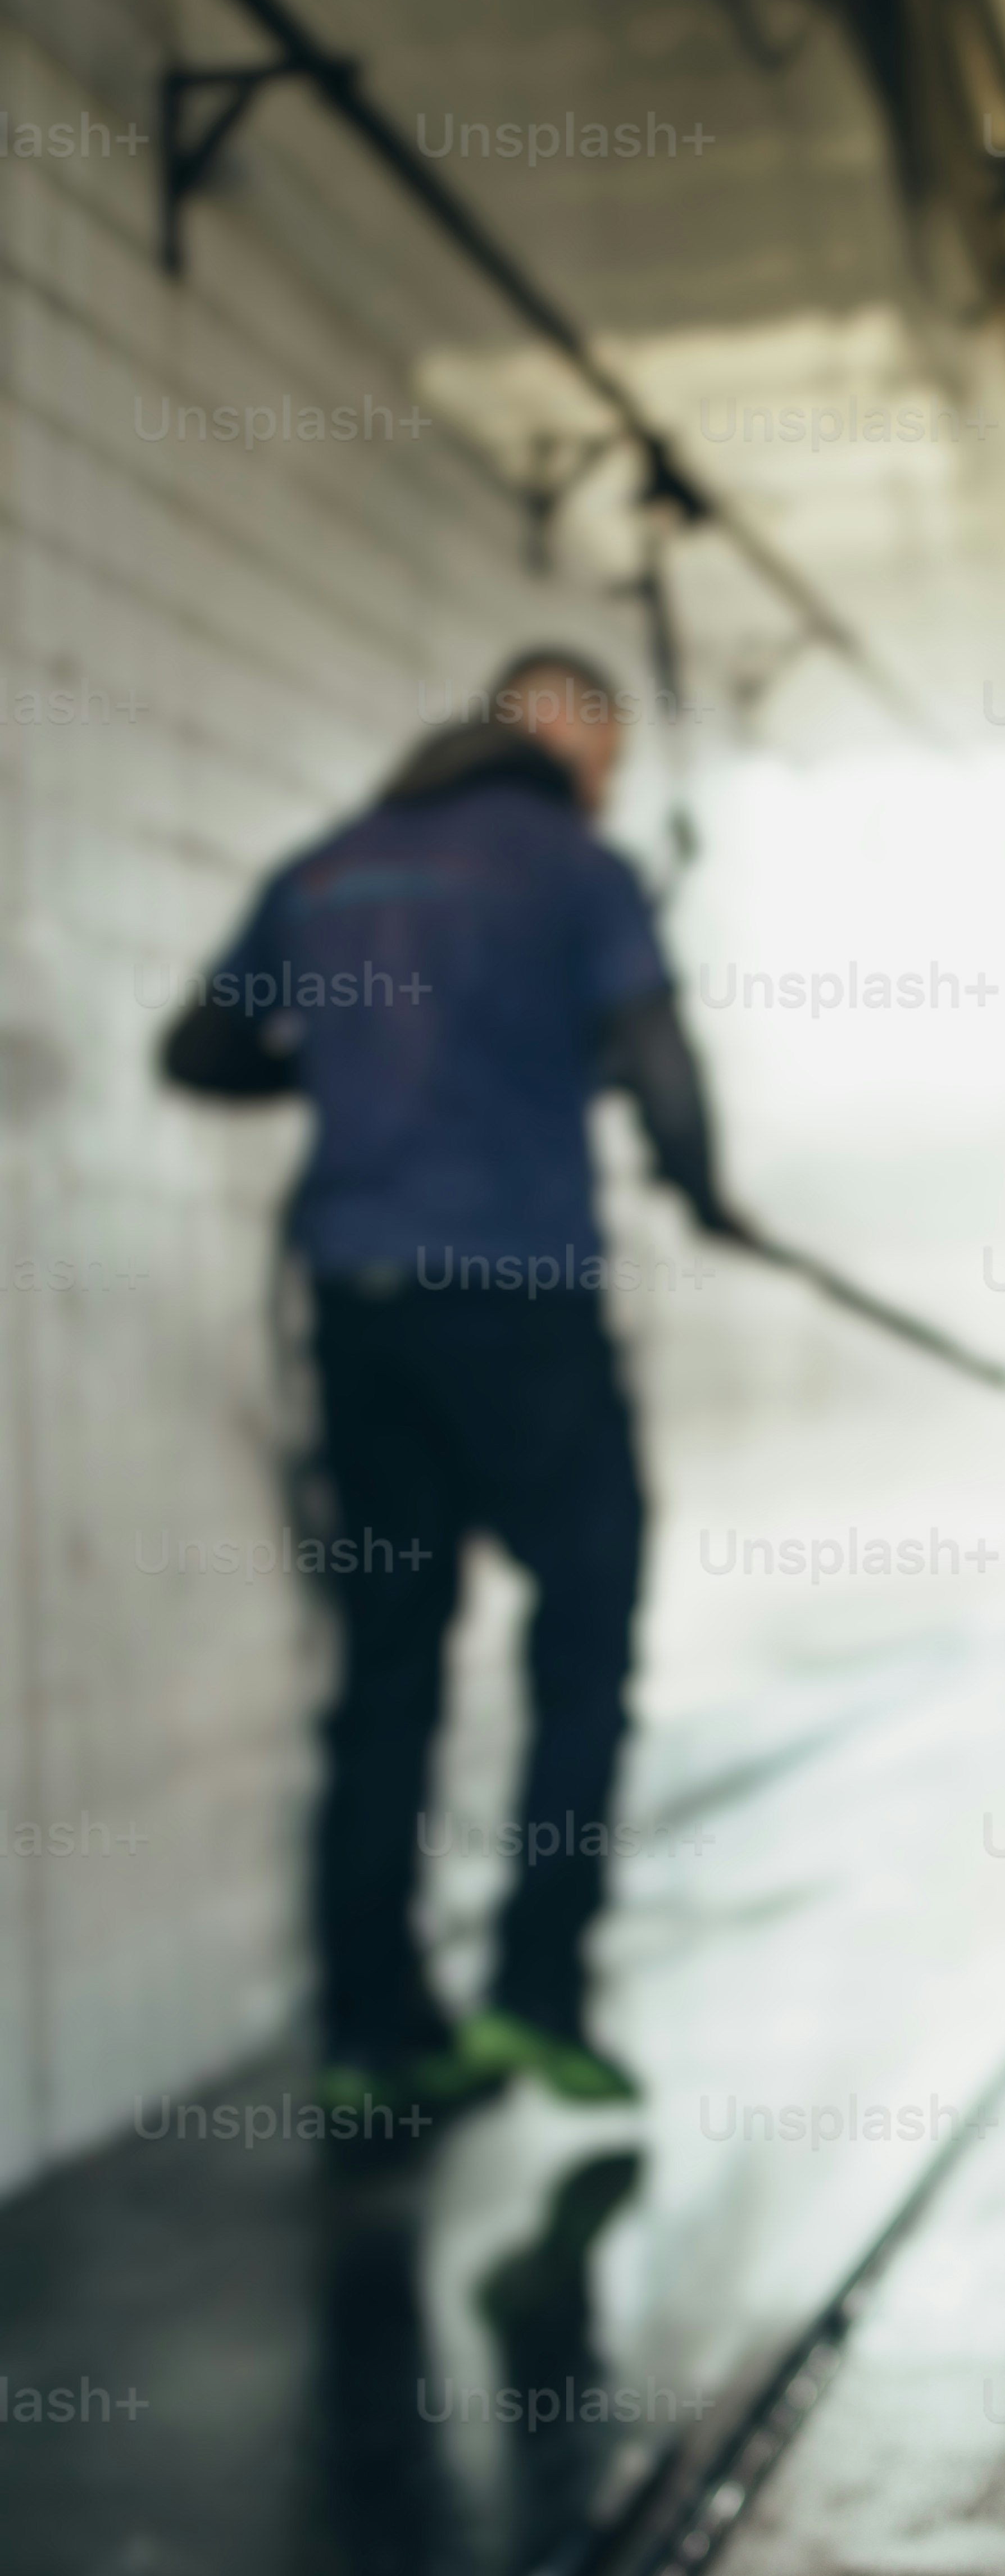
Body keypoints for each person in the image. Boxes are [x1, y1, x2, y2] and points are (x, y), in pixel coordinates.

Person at [164, 648, 745, 2113]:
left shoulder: (326, 872)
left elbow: (201, 1047)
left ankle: (370, 2033)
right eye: (601, 757)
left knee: (389, 1660)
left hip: (357, 1312)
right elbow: (661, 1069)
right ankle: (535, 1994)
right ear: (560, 740)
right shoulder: (574, 871)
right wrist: (702, 1189)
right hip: (520, 1307)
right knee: (587, 1619)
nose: (603, 787)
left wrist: (353, 1075)